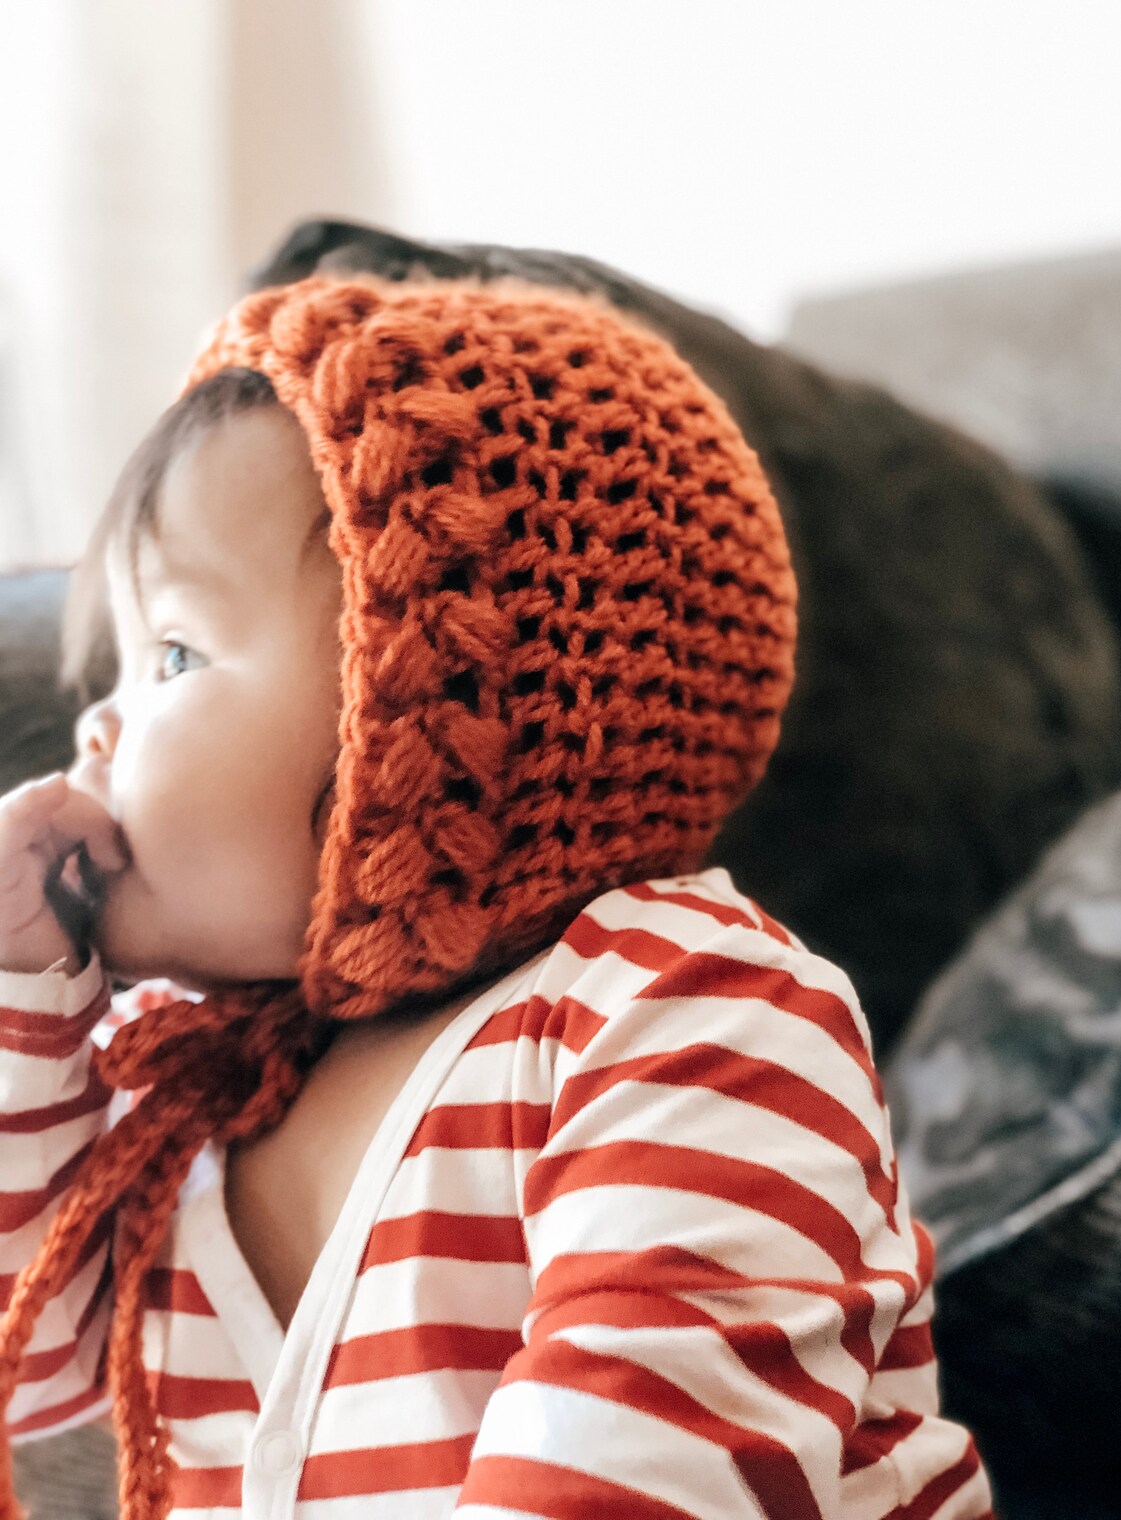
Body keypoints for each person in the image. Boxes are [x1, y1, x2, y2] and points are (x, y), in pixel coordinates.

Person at [0, 275, 992, 1520]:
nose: (95, 717)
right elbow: (26, 1366)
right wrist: (22, 996)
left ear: (435, 707)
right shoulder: (194, 1096)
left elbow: (636, 1481)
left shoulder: (689, 1018)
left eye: (176, 655)